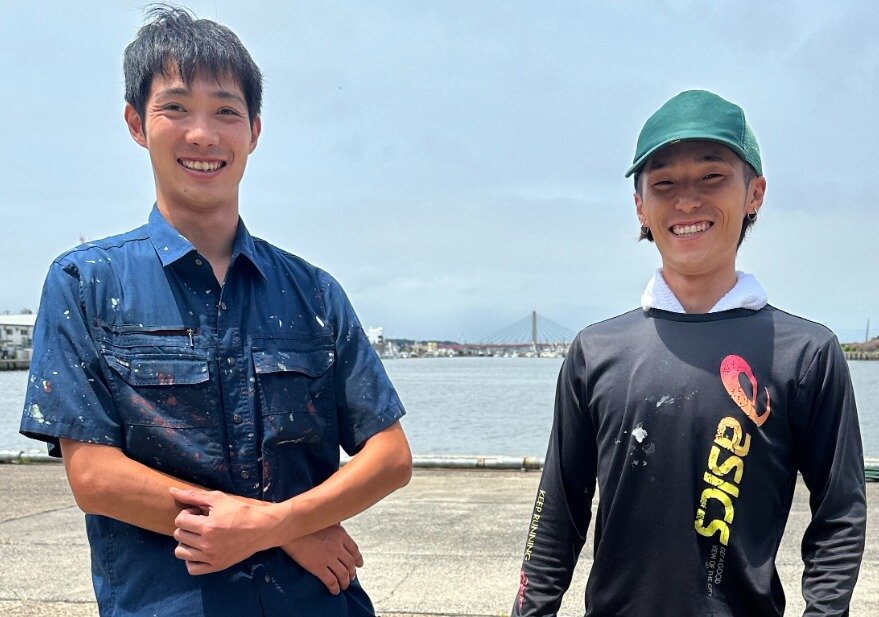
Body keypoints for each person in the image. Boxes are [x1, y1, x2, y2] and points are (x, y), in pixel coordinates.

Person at [20, 6, 411, 616]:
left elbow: (390, 456)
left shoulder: (313, 292)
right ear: (136, 123)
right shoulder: (85, 281)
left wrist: (273, 524)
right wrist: (283, 530)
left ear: (254, 131)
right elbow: (94, 476)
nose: (202, 134)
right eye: (175, 108)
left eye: (226, 111)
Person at [512, 90, 866, 616]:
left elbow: (840, 514)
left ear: (755, 194)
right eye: (663, 184)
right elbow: (557, 512)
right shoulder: (596, 351)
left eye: (711, 176)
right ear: (640, 206)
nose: (686, 202)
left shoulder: (805, 354)